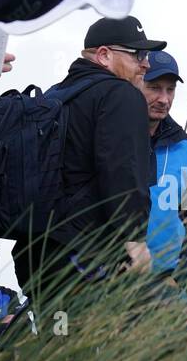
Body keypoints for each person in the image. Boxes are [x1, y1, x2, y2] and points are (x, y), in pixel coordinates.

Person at [11, 15, 159, 302]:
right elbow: (121, 169)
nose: (146, 63)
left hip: (36, 255)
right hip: (88, 258)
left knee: (56, 342)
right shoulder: (121, 94)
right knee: (101, 345)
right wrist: (135, 239)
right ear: (104, 55)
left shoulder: (53, 98)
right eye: (137, 54)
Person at [141, 51, 187, 284]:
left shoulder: (184, 144)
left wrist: (175, 267)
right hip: (128, 265)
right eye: (154, 87)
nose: (164, 99)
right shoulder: (116, 137)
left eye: (170, 90)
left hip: (173, 265)